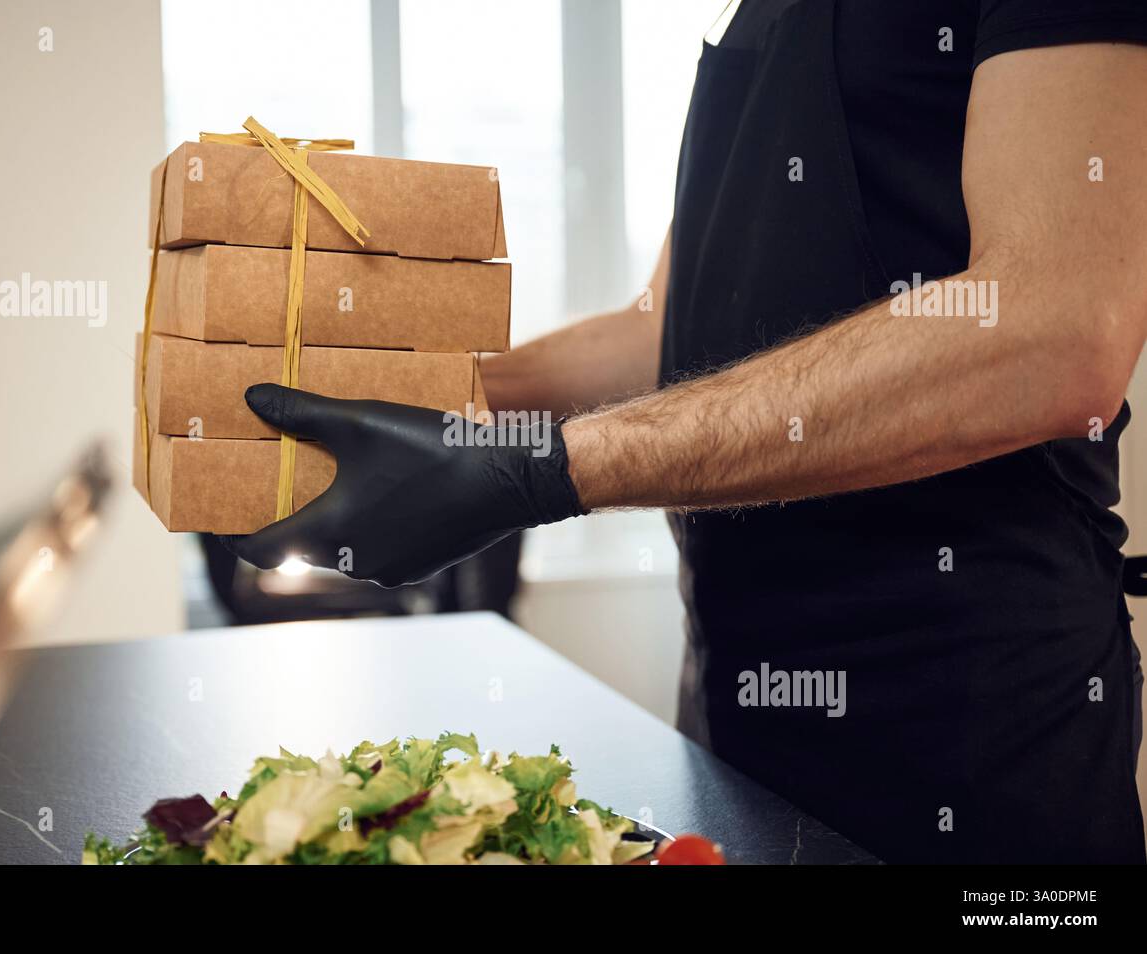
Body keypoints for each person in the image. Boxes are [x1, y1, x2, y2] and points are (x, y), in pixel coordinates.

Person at [222, 0, 1147, 862]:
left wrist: (542, 470)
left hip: (973, 747)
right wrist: (401, 404)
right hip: (734, 720)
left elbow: (1055, 326)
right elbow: (665, 332)